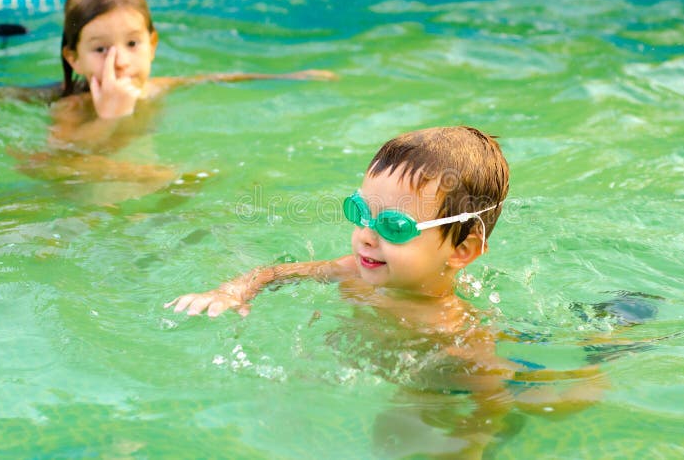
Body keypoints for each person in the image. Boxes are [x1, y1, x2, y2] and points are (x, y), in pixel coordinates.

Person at [165, 126, 607, 459]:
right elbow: (275, 272)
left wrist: (474, 439)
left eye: (394, 225)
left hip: (446, 383)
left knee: (559, 399)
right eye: (361, 212)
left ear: (462, 250)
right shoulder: (352, 270)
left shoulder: (453, 336)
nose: (366, 236)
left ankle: (604, 342)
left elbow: (490, 394)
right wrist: (232, 292)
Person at [12, 0, 336, 200]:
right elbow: (57, 160)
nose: (120, 61)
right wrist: (109, 118)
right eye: (100, 50)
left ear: (153, 44)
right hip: (91, 195)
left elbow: (210, 78)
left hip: (139, 186)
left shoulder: (154, 88)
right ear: (73, 59)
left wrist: (287, 77)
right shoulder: (73, 107)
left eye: (132, 43)